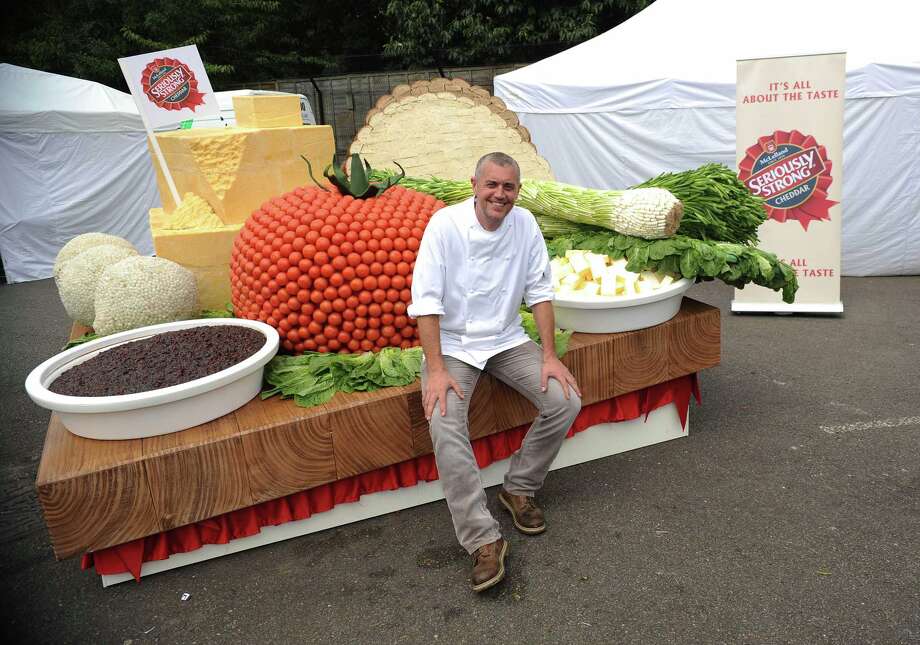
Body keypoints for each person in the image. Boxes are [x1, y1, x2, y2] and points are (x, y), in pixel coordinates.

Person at [408, 151, 582, 592]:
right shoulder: (444, 226)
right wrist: (437, 368)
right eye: (492, 185)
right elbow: (426, 303)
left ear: (517, 191)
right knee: (445, 421)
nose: (499, 194)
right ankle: (483, 539)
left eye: (508, 187)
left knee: (565, 399)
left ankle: (519, 487)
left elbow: (540, 290)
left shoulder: (525, 224)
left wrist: (548, 354)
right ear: (474, 184)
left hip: (505, 339)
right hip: (453, 346)